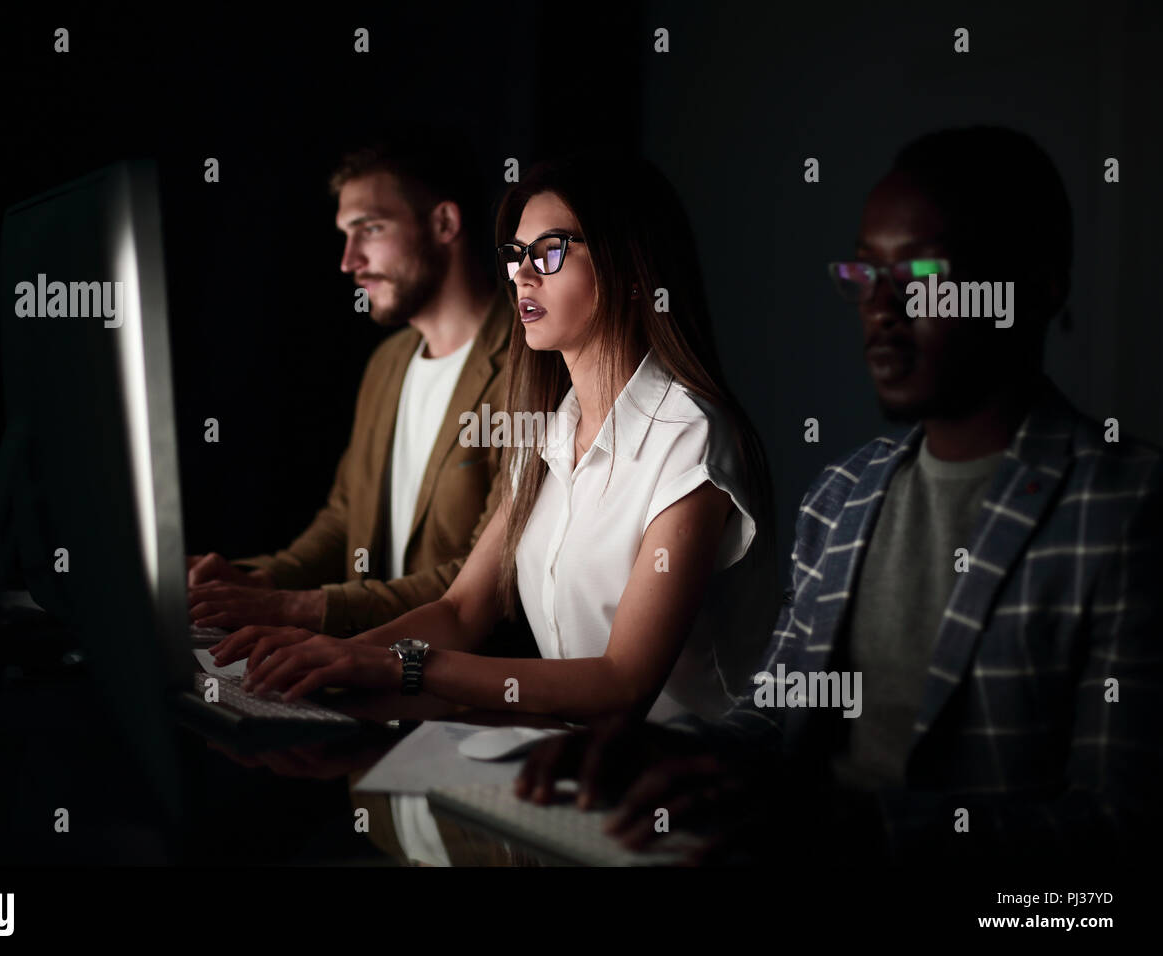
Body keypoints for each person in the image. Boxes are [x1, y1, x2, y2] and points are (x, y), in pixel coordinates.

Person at [515, 126, 1163, 868]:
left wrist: (845, 826)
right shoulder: (846, 494)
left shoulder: (1124, 509)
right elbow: (775, 719)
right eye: (865, 274)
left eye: (922, 273)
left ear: (1040, 287)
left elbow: (1122, 832)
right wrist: (657, 751)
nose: (881, 307)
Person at [210, 153, 779, 724]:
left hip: (689, 788)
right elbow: (459, 611)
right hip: (571, 770)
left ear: (632, 274)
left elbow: (621, 682)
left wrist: (399, 666)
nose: (522, 276)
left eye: (550, 252)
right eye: (515, 254)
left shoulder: (690, 438)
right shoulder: (547, 430)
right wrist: (335, 654)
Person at [186, 132, 515, 638]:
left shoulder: (530, 365)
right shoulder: (387, 363)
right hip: (369, 675)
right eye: (345, 234)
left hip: (464, 695)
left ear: (444, 222)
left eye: (371, 228)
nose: (348, 261)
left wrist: (293, 610)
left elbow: (482, 583)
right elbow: (344, 519)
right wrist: (258, 580)